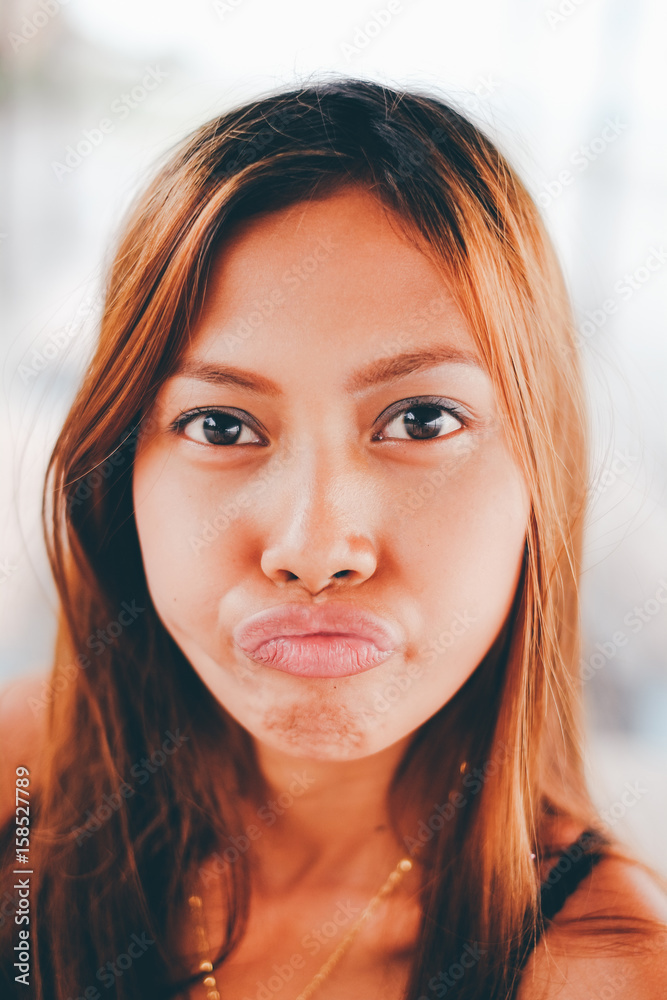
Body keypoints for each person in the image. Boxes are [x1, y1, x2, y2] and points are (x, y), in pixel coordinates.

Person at [1, 77, 666, 1000]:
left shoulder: (599, 971)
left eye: (423, 420)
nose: (315, 551)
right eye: (222, 427)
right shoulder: (25, 778)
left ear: (539, 474)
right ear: (120, 473)